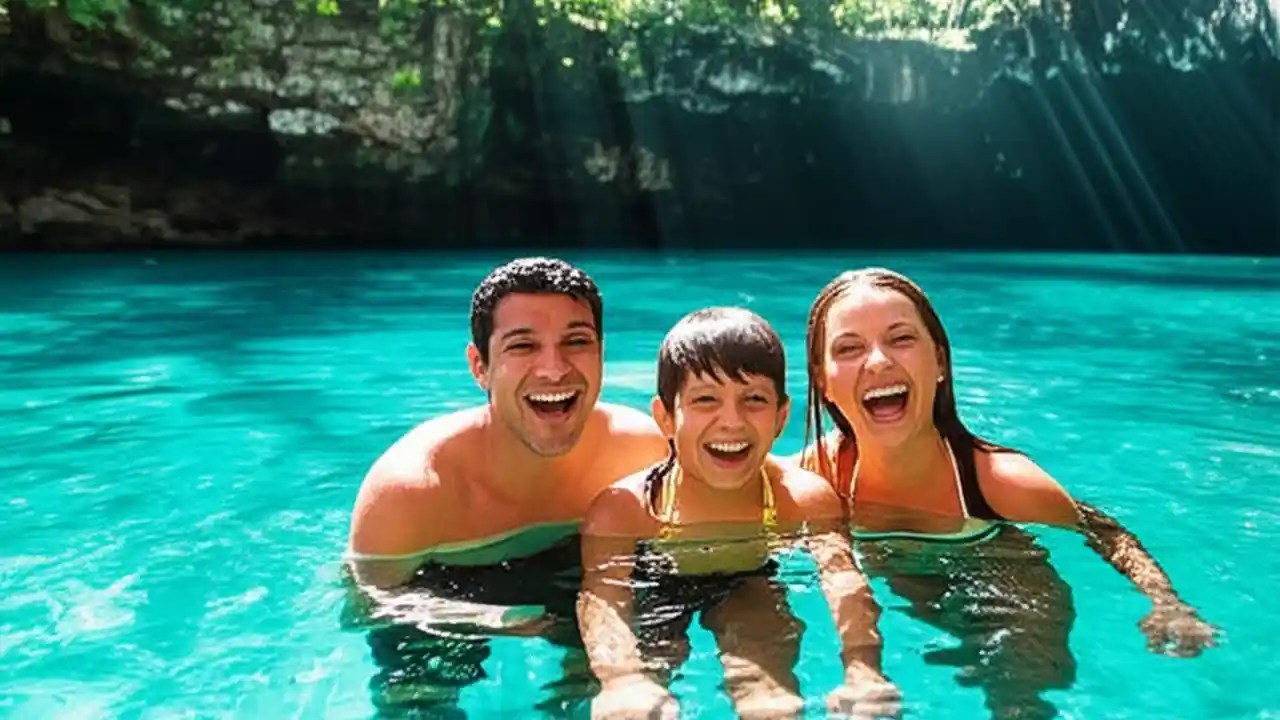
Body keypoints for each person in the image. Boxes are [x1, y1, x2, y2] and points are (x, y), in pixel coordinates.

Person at [795, 267, 1219, 718]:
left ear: (939, 362)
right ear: (823, 381)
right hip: (903, 574)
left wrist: (1167, 604)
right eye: (849, 348)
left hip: (1004, 583)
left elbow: (1104, 531)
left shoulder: (1000, 481)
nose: (877, 361)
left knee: (1019, 700)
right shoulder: (819, 471)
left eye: (901, 339)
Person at [343, 257, 670, 714]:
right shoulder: (412, 490)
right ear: (480, 366)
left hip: (579, 577)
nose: (554, 369)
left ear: (601, 353)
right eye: (523, 346)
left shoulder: (640, 451)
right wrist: (490, 619)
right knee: (417, 697)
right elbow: (369, 606)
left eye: (576, 342)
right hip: (446, 595)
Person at [577, 307, 901, 720]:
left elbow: (845, 586)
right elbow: (603, 601)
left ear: (781, 417)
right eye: (705, 399)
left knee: (772, 700)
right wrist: (620, 679)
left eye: (754, 400)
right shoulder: (625, 510)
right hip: (655, 590)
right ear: (665, 418)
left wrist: (863, 670)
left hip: (750, 583)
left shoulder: (803, 500)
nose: (731, 421)